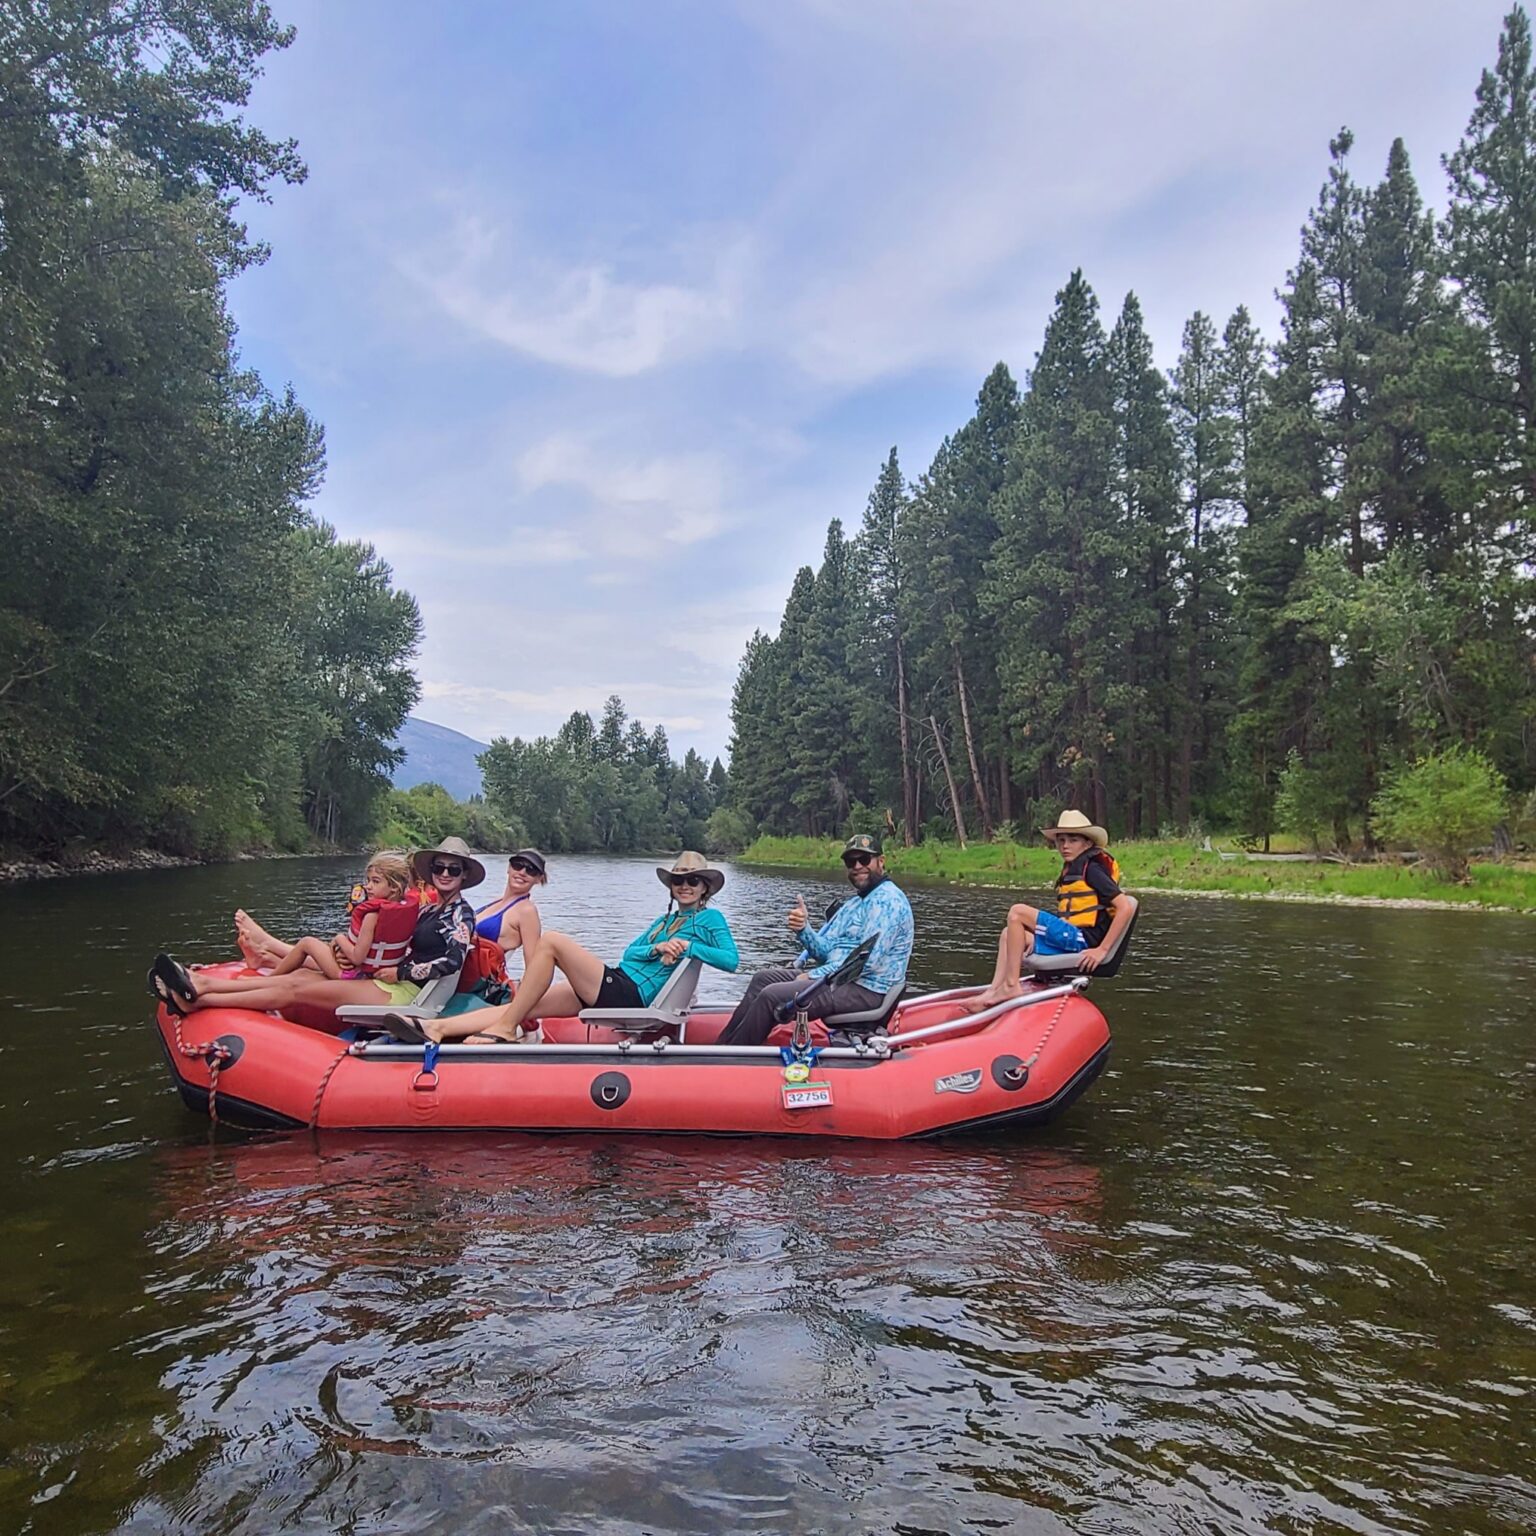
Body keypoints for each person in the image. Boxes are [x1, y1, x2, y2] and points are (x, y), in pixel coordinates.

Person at [403, 851, 739, 1045]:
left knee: (552, 942)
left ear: (704, 886)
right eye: (679, 881)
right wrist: (658, 947)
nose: (684, 886)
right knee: (527, 1005)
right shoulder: (662, 922)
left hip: (634, 995)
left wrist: (690, 947)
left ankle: (505, 1029)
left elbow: (731, 960)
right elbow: (630, 955)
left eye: (692, 881)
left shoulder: (711, 920)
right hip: (621, 980)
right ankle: (437, 1028)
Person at [148, 838, 483, 1024]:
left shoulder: (460, 916)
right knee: (302, 979)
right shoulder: (428, 907)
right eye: (439, 866)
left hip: (406, 992)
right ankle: (202, 987)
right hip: (383, 980)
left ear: (464, 875)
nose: (444, 872)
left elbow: (452, 960)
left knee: (296, 988)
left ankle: (201, 997)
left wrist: (401, 970)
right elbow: (393, 941)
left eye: (453, 869)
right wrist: (354, 956)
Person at [715, 833, 914, 1047]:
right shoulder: (854, 904)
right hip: (838, 980)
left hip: (867, 989)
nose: (857, 866)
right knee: (762, 979)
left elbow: (866, 962)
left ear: (880, 862)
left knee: (771, 996)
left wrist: (811, 976)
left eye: (864, 860)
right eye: (850, 861)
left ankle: (734, 1054)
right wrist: (804, 930)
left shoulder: (889, 901)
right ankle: (722, 1046)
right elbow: (823, 952)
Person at [966, 809, 1139, 1011]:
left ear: (1088, 844)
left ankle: (1011, 986)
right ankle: (994, 991)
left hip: (1082, 939)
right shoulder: (1072, 868)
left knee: (1017, 912)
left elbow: (1124, 907)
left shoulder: (1092, 869)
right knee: (1008, 935)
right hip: (1070, 936)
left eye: (1073, 840)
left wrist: (1101, 950)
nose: (1065, 846)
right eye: (1061, 840)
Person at [265, 852, 417, 980]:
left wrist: (339, 938)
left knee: (307, 943)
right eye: (368, 880)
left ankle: (271, 979)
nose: (368, 886)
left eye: (375, 882)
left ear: (394, 887)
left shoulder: (372, 916)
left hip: (354, 976)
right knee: (317, 957)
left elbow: (357, 958)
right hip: (373, 973)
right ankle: (269, 959)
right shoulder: (405, 910)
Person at [473, 848, 547, 961]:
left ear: (538, 879)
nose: (522, 872)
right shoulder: (497, 901)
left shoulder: (527, 911)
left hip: (480, 975)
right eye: (517, 865)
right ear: (509, 868)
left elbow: (533, 963)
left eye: (531, 870)